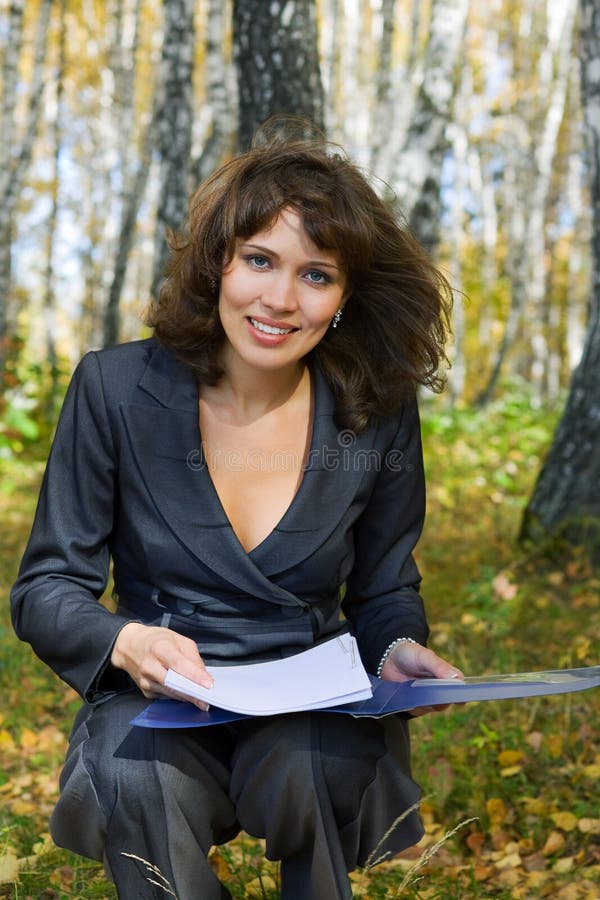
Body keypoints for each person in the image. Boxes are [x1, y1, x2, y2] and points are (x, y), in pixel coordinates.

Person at [11, 117, 463, 900]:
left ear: (347, 294)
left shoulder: (375, 409)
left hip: (310, 694)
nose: (280, 299)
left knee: (319, 763)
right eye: (260, 260)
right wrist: (126, 642)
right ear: (221, 262)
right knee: (132, 774)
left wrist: (396, 652)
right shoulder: (114, 390)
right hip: (159, 699)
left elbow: (385, 589)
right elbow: (45, 587)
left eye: (316, 275)